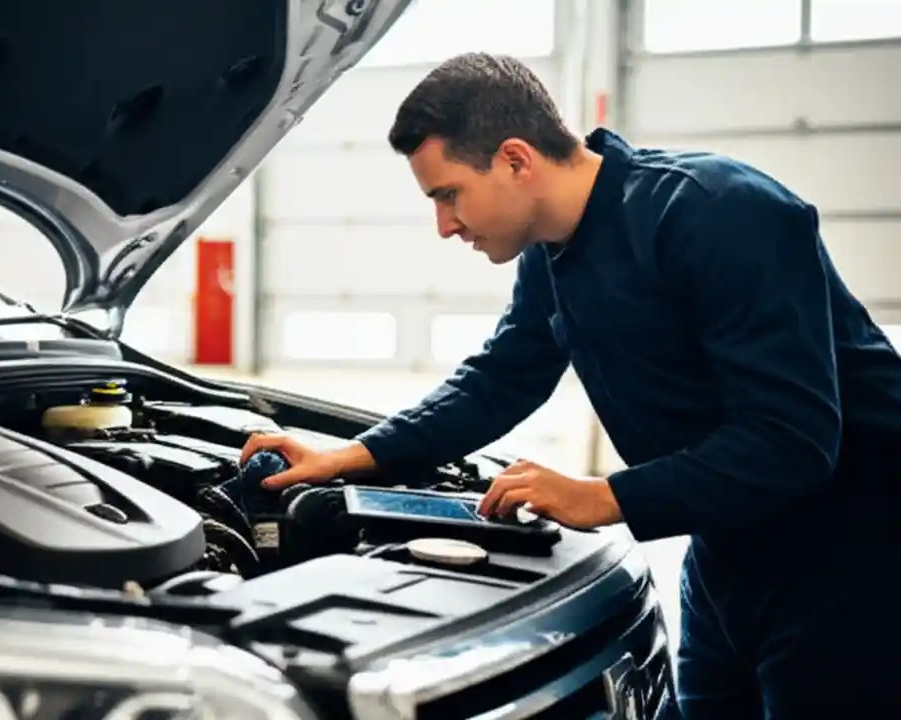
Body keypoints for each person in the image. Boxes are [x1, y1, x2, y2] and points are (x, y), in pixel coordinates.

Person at [239, 52, 901, 718]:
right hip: (728, 549)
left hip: (852, 559)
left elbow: (792, 440)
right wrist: (348, 455)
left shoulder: (719, 213)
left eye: (447, 194)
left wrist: (604, 496)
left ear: (516, 160)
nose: (443, 225)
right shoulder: (551, 255)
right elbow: (500, 380)